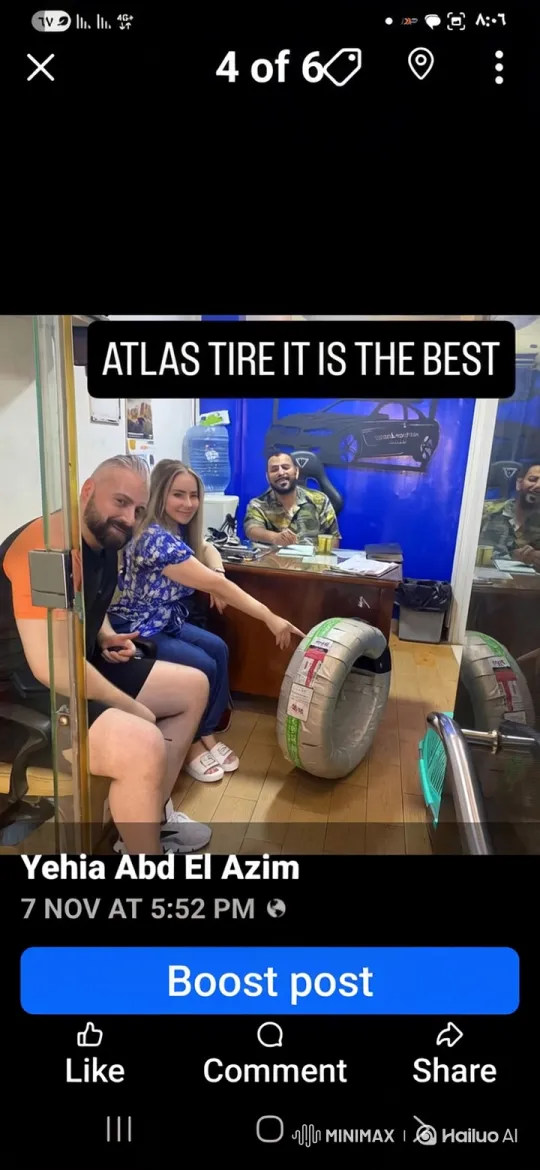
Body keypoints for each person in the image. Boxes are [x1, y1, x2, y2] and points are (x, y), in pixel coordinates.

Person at [0, 455, 214, 856]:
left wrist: (105, 634)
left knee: (193, 685)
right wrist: (135, 709)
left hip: (69, 670)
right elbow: (53, 666)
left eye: (137, 509)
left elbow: (79, 606)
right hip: (21, 694)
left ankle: (147, 821)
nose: (129, 518)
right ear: (87, 492)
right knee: (143, 740)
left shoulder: (99, 541)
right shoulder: (46, 548)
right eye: (119, 503)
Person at [108, 459, 304, 782]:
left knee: (219, 649)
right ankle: (193, 745)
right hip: (139, 626)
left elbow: (207, 547)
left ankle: (205, 732)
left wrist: (216, 569)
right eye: (178, 495)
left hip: (166, 620)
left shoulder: (174, 528)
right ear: (159, 494)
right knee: (204, 664)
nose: (188, 504)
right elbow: (218, 587)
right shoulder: (154, 539)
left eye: (193, 495)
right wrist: (270, 617)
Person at [243, 451, 341, 547]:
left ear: (296, 472)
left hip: (312, 561)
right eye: (274, 469)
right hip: (274, 561)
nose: (281, 472)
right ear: (267, 478)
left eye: (285, 467)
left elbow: (333, 538)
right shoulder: (258, 505)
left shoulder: (320, 500)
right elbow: (252, 530)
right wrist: (275, 537)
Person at [479, 461, 540, 569]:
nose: (538, 486)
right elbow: (472, 553)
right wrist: (513, 557)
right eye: (532, 479)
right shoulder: (489, 513)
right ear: (519, 484)